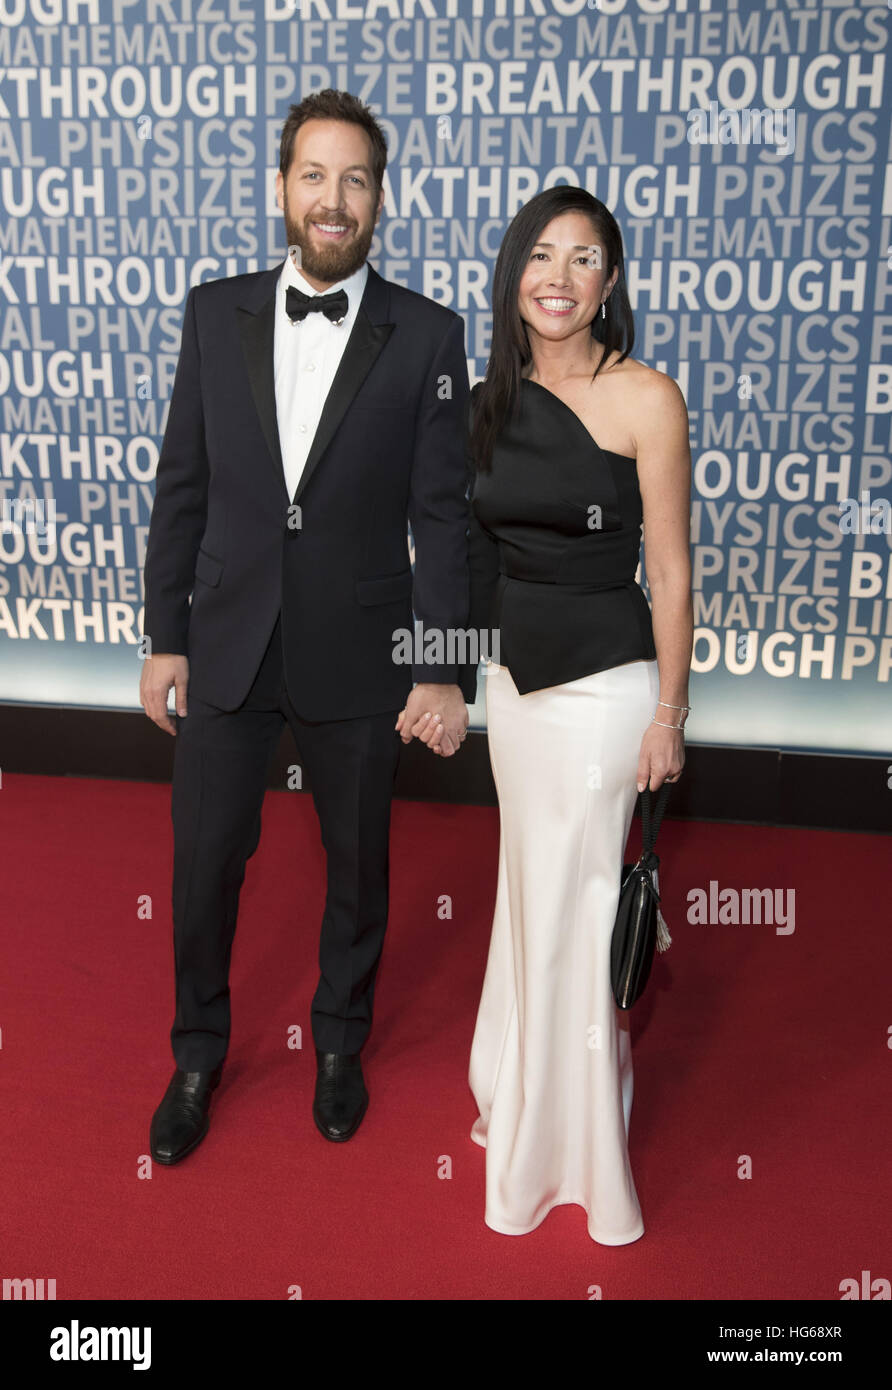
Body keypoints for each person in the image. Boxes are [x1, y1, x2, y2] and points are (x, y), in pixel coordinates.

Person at [140, 89, 475, 1164]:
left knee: (358, 863)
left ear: (381, 197)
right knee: (201, 866)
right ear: (281, 187)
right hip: (228, 639)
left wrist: (441, 666)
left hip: (364, 651)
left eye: (357, 179)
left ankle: (339, 1041)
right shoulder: (211, 310)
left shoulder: (428, 333)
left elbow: (442, 515)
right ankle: (197, 1052)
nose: (334, 200)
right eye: (315, 176)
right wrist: (164, 635)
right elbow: (180, 485)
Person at [464, 187, 693, 1243]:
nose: (558, 276)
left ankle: (572, 1157)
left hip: (606, 696)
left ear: (611, 281)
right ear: (514, 273)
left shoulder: (647, 395)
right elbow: (470, 556)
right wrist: (454, 677)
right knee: (529, 892)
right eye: (540, 255)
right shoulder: (483, 402)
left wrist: (669, 712)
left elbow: (670, 565)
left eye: (584, 258)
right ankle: (521, 1099)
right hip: (514, 696)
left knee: (575, 907)